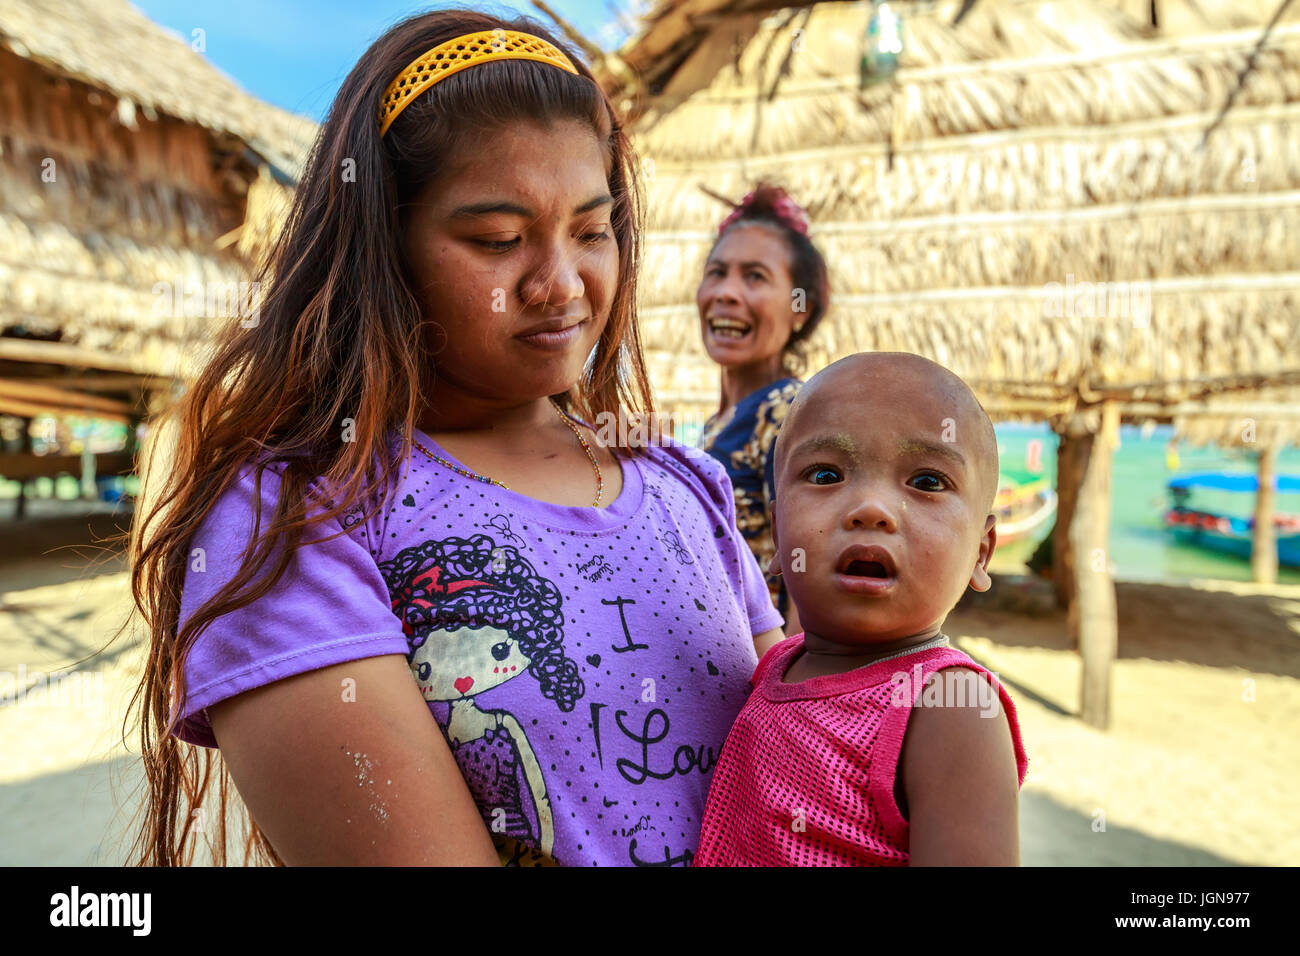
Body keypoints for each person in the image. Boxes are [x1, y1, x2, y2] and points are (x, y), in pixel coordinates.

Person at [119, 10, 784, 867]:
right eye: (498, 240)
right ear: (382, 246)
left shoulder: (687, 488)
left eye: (591, 231)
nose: (559, 284)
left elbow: (807, 754)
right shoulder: (298, 522)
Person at [694, 352, 1029, 866]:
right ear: (780, 533)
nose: (870, 508)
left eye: (927, 482)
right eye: (825, 474)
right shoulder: (774, 669)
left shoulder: (948, 707)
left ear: (981, 553)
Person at [696, 184, 830, 637]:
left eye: (755, 276)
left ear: (799, 309)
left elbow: (807, 575)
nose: (727, 292)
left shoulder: (786, 411)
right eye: (717, 273)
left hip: (764, 673)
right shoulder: (722, 424)